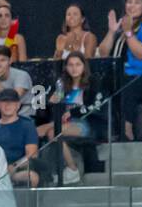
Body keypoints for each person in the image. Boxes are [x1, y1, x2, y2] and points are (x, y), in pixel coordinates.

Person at [96, 0, 142, 141]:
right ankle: (104, 129)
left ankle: (126, 129)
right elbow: (103, 52)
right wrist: (111, 31)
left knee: (128, 84)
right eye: (129, 2)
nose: (132, 5)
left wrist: (128, 33)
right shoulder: (123, 26)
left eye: (136, 2)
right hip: (125, 75)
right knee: (105, 84)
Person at [40, 53, 103, 184]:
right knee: (37, 131)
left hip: (83, 123)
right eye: (70, 65)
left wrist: (72, 112)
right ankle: (30, 165)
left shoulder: (92, 83)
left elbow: (95, 106)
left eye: (78, 64)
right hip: (60, 122)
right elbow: (51, 107)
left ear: (84, 67)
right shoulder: (61, 84)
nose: (74, 68)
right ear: (66, 68)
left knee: (53, 132)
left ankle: (72, 169)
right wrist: (51, 101)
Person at [0, 89, 39, 185]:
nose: (7, 105)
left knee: (32, 177)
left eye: (11, 102)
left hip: (16, 170)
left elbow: (32, 154)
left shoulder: (27, 125)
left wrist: (14, 166)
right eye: (4, 102)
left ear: (18, 105)